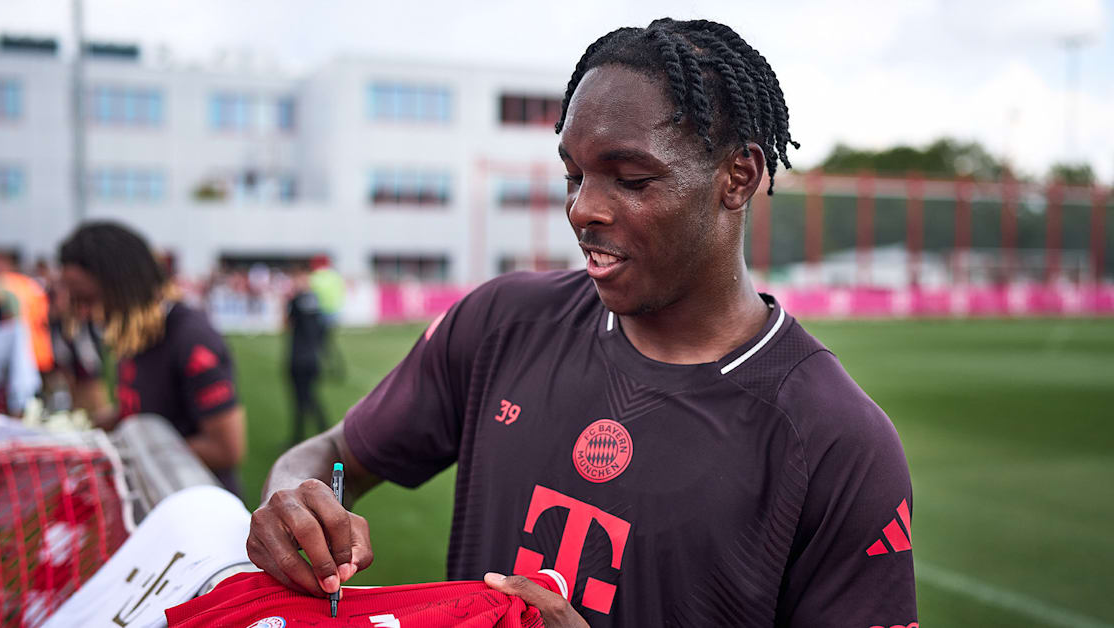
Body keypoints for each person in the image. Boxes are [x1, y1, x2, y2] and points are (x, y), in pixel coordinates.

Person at [247, 18, 916, 628]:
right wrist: (293, 500)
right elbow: (328, 458)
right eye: (574, 176)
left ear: (737, 176)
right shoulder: (501, 323)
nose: (583, 210)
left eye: (630, 180)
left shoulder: (835, 439)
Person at [58, 222, 247, 495]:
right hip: (153, 497)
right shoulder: (133, 334)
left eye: (88, 299)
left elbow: (226, 449)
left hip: (196, 507)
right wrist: (75, 434)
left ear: (123, 285)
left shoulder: (191, 337)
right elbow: (138, 412)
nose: (84, 313)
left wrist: (124, 453)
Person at [285, 269, 329, 444]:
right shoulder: (316, 302)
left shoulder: (295, 301)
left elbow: (287, 323)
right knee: (309, 396)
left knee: (301, 399)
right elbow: (323, 330)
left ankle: (310, 434)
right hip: (313, 357)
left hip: (298, 357)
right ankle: (314, 432)